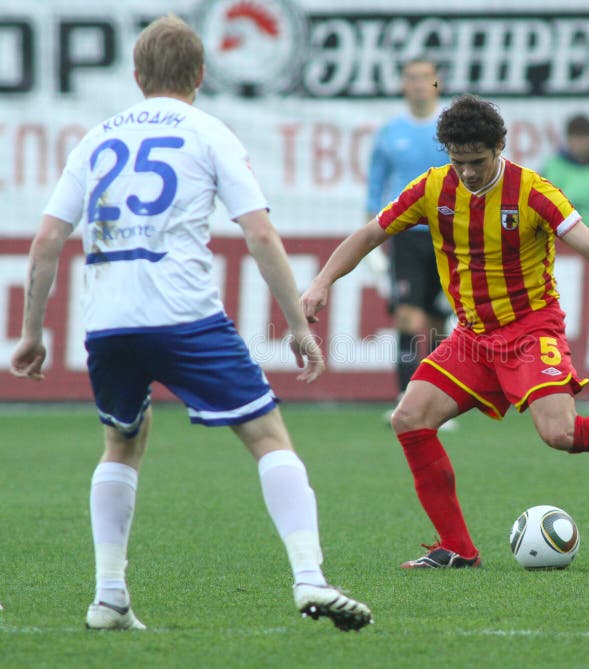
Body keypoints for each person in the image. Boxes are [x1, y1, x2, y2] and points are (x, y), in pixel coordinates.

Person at [10, 15, 372, 630]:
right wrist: (299, 325)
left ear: (136, 76)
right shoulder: (210, 131)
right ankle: (309, 578)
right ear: (201, 75)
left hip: (107, 323)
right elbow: (258, 231)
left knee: (121, 442)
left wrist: (32, 332)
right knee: (267, 437)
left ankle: (108, 596)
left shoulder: (95, 138)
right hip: (183, 315)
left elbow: (47, 240)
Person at [301, 95, 589, 570]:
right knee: (409, 418)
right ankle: (457, 549)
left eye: (477, 161)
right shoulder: (433, 188)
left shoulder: (533, 192)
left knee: (561, 434)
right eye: (458, 161)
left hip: (531, 331)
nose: (467, 172)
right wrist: (322, 281)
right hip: (472, 338)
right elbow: (370, 234)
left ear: (499, 147)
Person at [366, 58, 454, 426]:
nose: (418, 84)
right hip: (405, 236)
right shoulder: (390, 133)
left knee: (438, 320)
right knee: (406, 315)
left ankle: (436, 404)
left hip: (447, 234)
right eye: (411, 78)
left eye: (424, 77)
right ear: (403, 84)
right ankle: (404, 397)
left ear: (436, 82)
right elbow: (375, 189)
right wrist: (371, 243)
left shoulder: (451, 127)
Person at [540, 114, 589, 232]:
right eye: (576, 138)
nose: (580, 143)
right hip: (559, 234)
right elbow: (546, 204)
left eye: (584, 138)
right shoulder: (554, 166)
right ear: (568, 140)